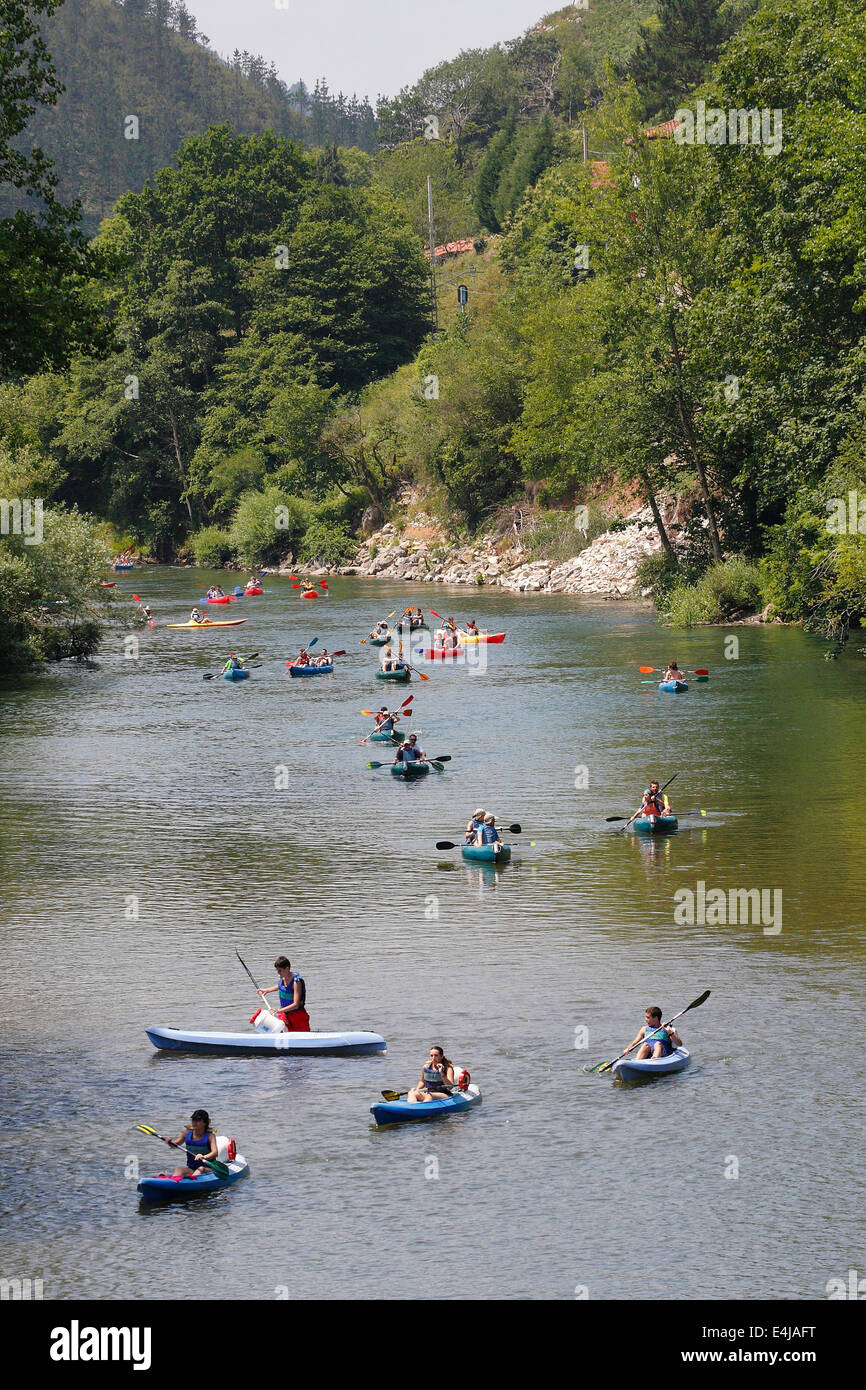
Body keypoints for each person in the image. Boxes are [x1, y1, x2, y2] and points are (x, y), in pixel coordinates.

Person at [257, 956, 311, 1032]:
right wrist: (267, 990)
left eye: (280, 970)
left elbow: (296, 1004)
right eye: (277, 970)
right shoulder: (283, 978)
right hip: (284, 1014)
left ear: (287, 969)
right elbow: (281, 987)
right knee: (280, 1030)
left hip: (297, 1015)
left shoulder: (296, 982)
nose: (278, 973)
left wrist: (278, 1010)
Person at [170, 1109, 219, 1178]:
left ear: (205, 1123)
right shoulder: (187, 1133)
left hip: (208, 1170)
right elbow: (175, 1145)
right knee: (178, 1169)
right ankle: (173, 1182)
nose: (195, 1123)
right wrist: (169, 1142)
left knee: (201, 1168)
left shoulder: (210, 1136)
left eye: (198, 1120)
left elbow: (215, 1153)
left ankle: (191, 1182)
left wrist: (203, 1157)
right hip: (192, 1169)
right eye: (193, 1120)